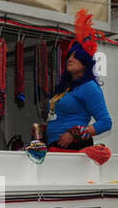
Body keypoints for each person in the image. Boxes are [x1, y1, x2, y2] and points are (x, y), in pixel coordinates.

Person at [44, 11, 111, 149]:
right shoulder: (68, 87)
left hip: (74, 145)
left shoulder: (89, 87)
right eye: (69, 56)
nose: (70, 59)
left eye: (75, 57)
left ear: (85, 62)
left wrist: (75, 134)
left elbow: (106, 122)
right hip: (57, 145)